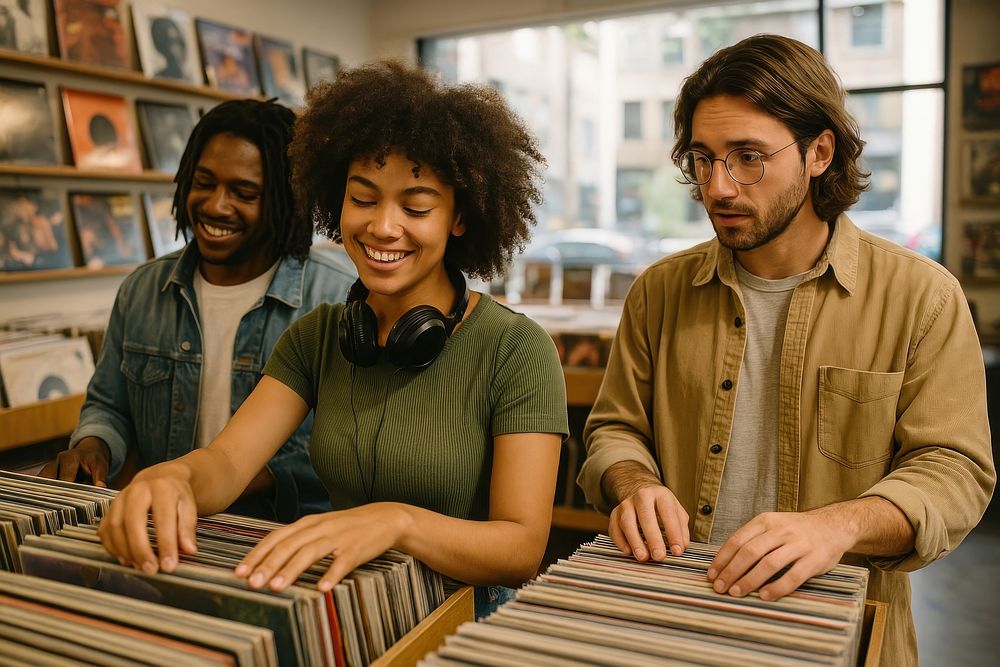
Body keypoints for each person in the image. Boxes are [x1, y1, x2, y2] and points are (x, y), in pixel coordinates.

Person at [95, 61, 569, 618]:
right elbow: (227, 463)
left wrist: (397, 522)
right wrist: (175, 477)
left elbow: (521, 547)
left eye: (415, 207)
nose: (382, 227)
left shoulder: (519, 350)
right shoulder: (318, 337)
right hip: (344, 611)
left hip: (464, 622)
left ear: (459, 217)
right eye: (363, 199)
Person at [578, 34, 994, 666]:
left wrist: (839, 525)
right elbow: (614, 428)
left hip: (841, 632)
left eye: (748, 157)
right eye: (703, 158)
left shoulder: (923, 297)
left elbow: (955, 472)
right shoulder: (658, 292)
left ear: (819, 152)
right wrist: (632, 482)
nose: (718, 187)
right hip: (676, 621)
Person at [40, 99, 356, 523]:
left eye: (244, 193)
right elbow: (109, 406)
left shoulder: (336, 300)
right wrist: (92, 447)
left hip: (282, 535)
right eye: (204, 183)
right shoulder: (144, 289)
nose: (216, 205)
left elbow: (348, 453)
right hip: (164, 532)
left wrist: (207, 481)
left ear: (287, 200)